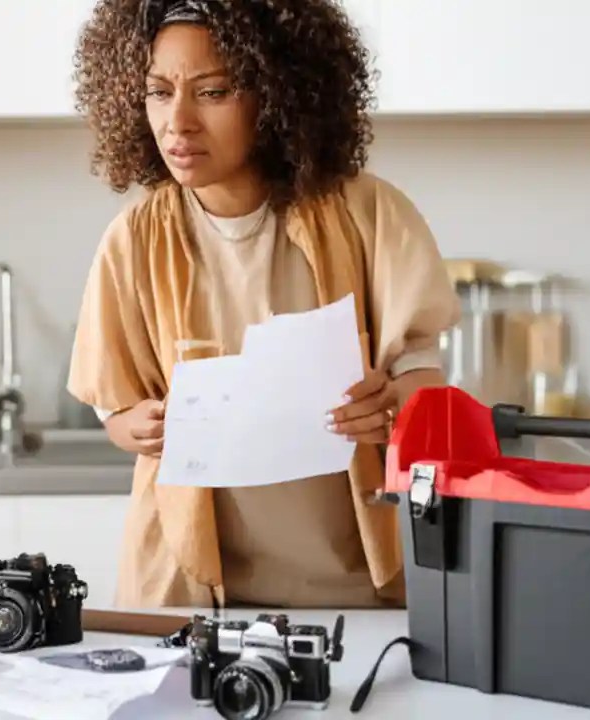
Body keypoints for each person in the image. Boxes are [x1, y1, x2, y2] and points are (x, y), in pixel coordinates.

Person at [66, 0, 461, 610]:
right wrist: (134, 428)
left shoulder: (367, 212)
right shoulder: (134, 238)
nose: (179, 121)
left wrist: (394, 407)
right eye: (158, 92)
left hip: (353, 584)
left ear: (277, 95)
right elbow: (113, 407)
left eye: (214, 91)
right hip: (189, 589)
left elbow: (420, 375)